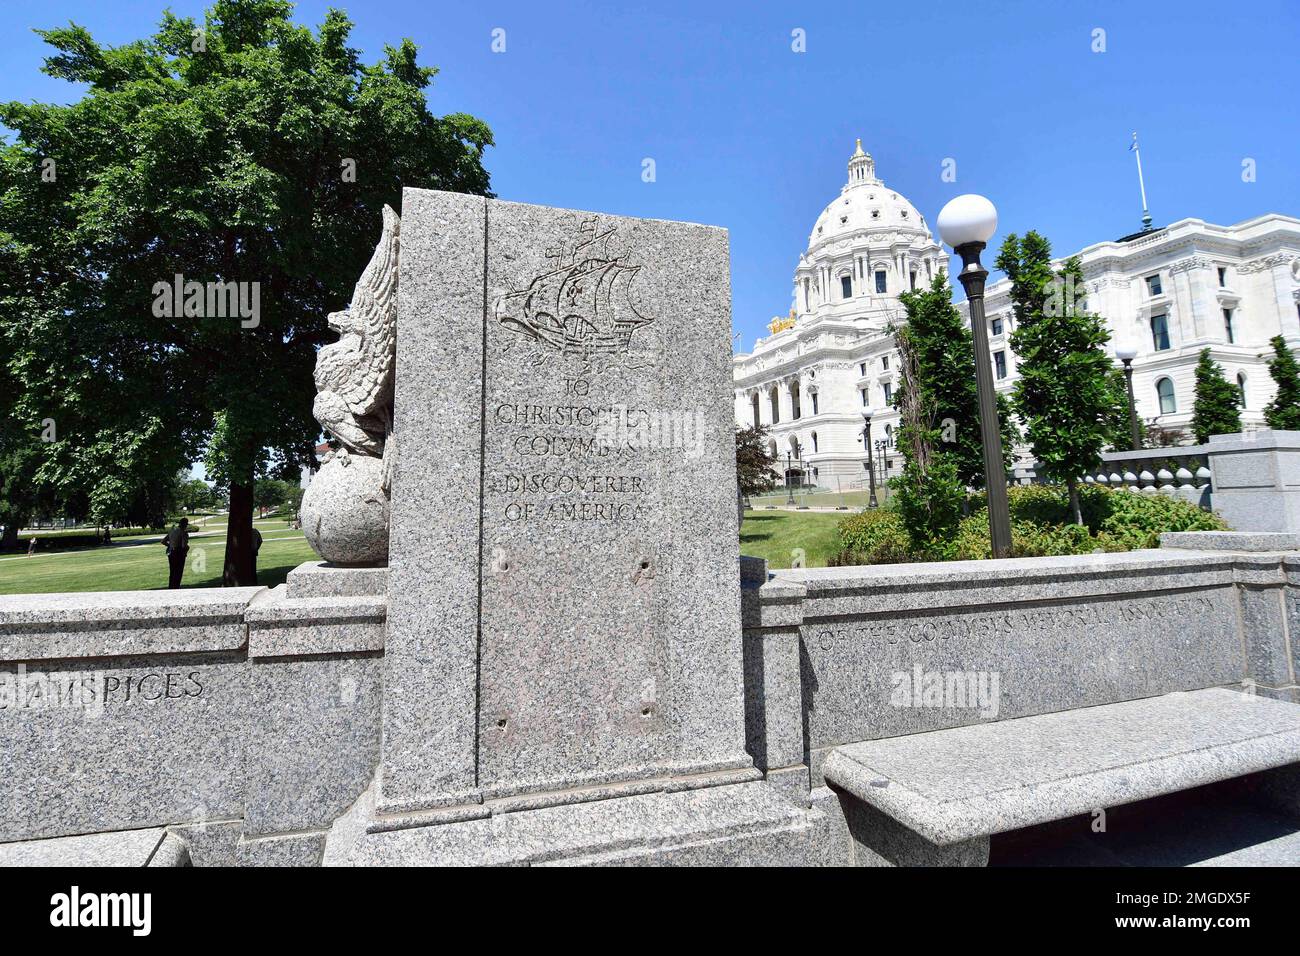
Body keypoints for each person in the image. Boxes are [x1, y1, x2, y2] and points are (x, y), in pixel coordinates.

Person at [163, 518, 189, 589]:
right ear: (185, 524)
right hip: (179, 553)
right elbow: (184, 546)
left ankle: (171, 587)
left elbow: (163, 541)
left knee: (172, 571)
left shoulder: (172, 531)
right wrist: (187, 548)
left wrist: (170, 545)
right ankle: (176, 587)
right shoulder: (183, 532)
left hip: (171, 553)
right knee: (178, 572)